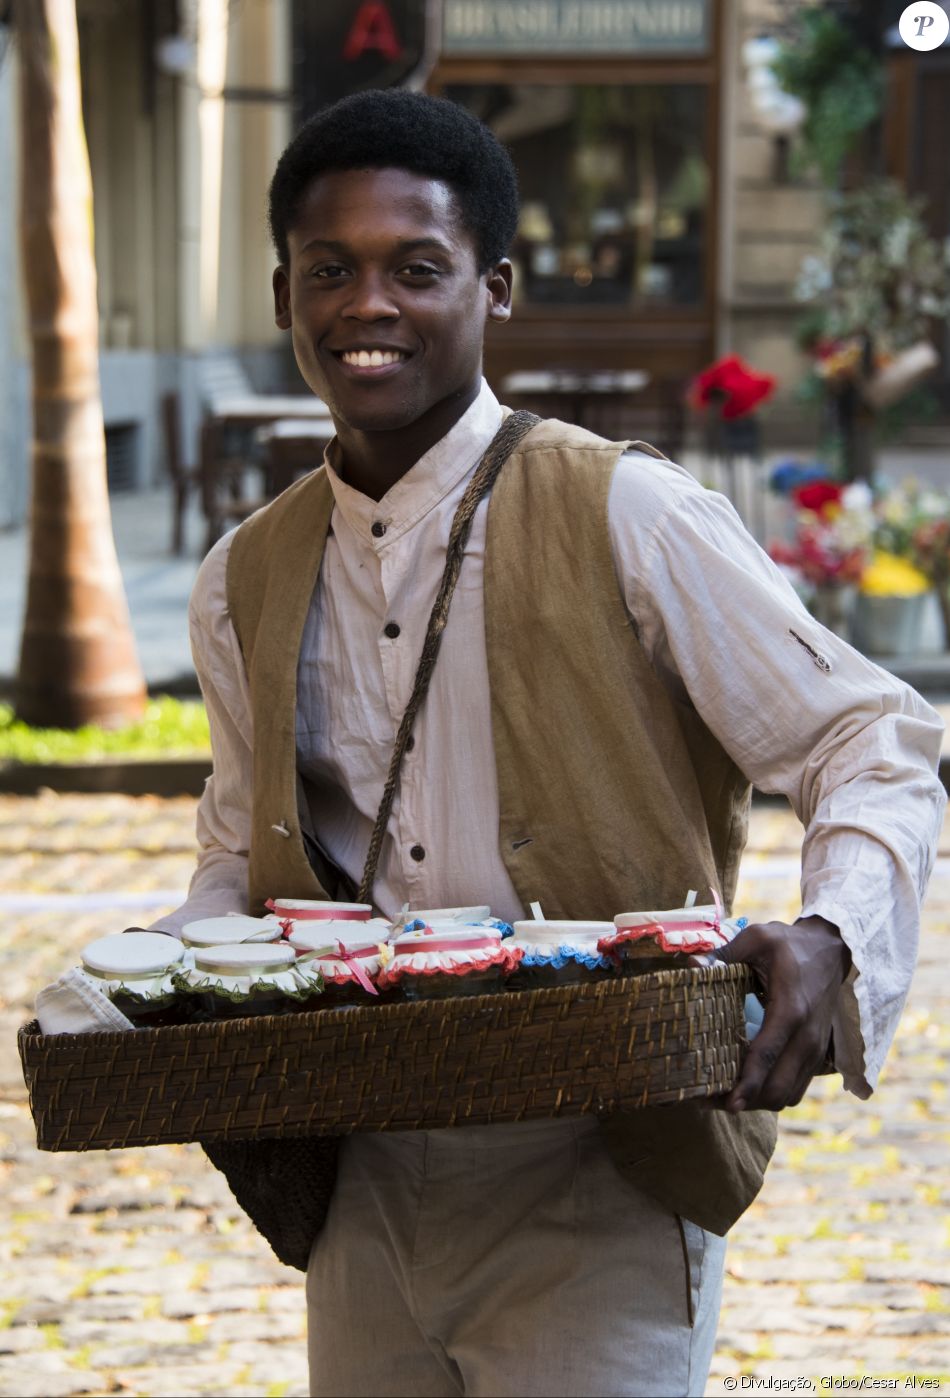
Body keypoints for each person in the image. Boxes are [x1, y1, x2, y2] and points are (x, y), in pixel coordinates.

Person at [158, 90, 945, 1397]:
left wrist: (832, 933)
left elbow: (871, 733)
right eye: (329, 270)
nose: (367, 305)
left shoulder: (627, 511)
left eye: (417, 269)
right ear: (284, 292)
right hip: (355, 1177)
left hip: (606, 1171)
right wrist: (161, 977)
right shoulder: (244, 573)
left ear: (495, 287)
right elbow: (241, 854)